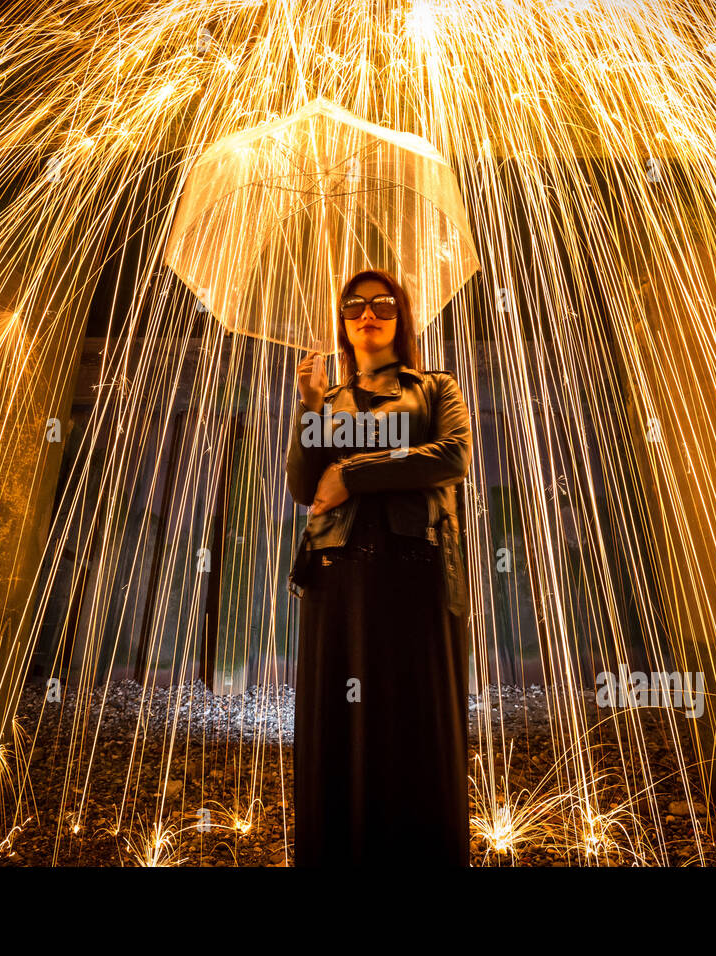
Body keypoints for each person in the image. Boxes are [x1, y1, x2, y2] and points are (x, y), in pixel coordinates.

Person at [286, 267, 472, 865]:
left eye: (383, 302)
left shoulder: (435, 388)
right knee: (341, 720)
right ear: (343, 321)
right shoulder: (331, 399)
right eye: (354, 304)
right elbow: (301, 486)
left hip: (413, 573)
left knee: (412, 718)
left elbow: (452, 455)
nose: (368, 312)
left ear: (401, 315)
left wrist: (355, 472)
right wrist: (308, 408)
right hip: (337, 578)